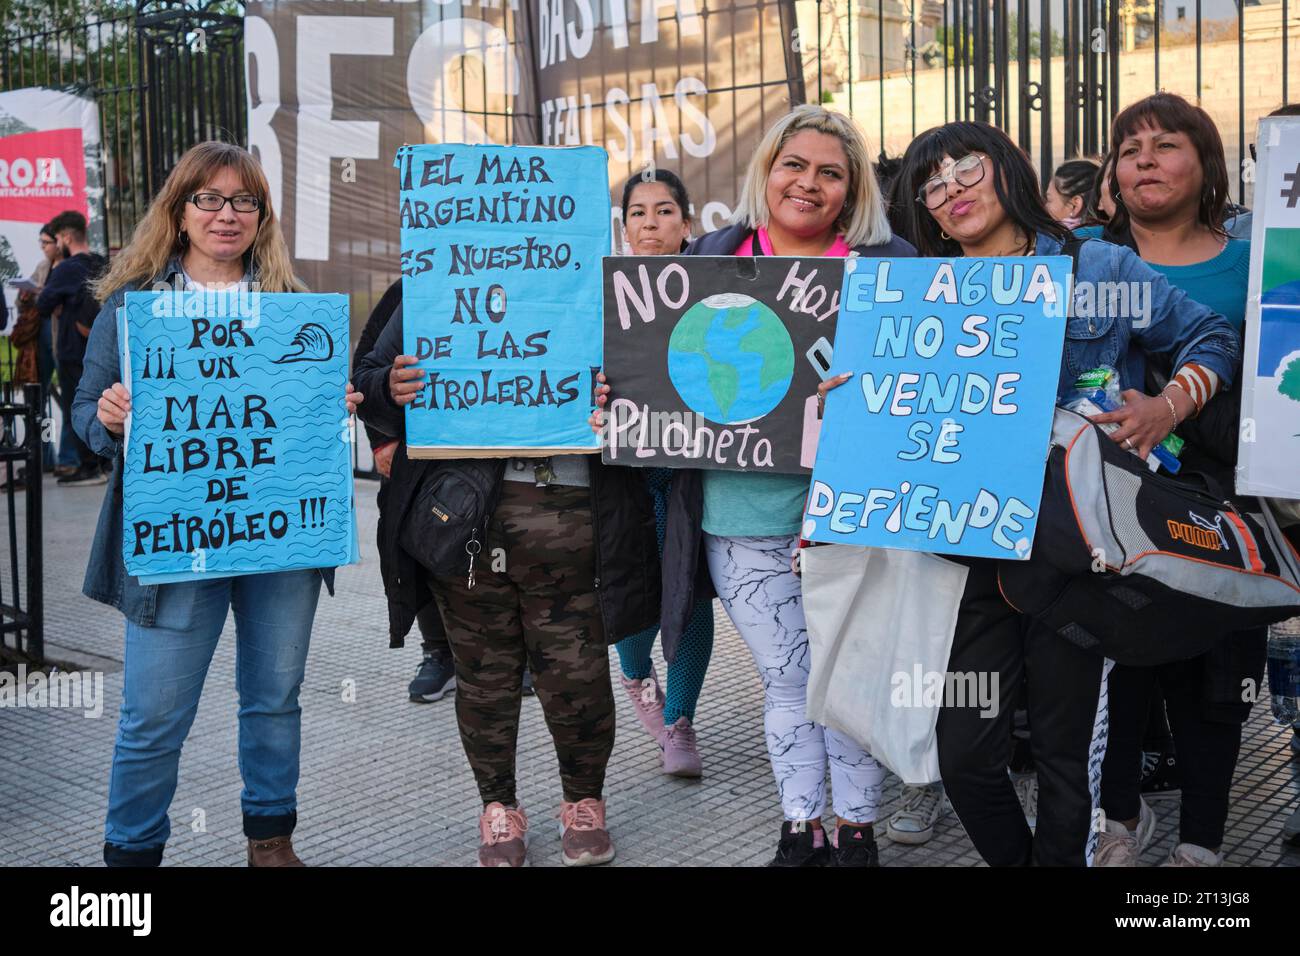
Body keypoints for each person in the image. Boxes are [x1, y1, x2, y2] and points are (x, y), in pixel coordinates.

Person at [879, 119, 1239, 867]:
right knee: (969, 755)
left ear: (1006, 168)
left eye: (966, 169)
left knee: (1065, 758)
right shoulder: (913, 300)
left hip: (1077, 561)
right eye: (932, 186)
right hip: (968, 559)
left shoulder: (1098, 267)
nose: (952, 192)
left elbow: (1212, 337)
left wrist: (1166, 407)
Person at [595, 105, 916, 866]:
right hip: (742, 515)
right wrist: (617, 392)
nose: (808, 183)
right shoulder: (710, 253)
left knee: (852, 677)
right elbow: (653, 360)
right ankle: (802, 827)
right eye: (792, 165)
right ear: (765, 170)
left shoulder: (891, 264)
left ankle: (859, 831)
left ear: (853, 188)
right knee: (788, 679)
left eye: (830, 172)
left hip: (859, 515)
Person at [72, 140, 364, 867]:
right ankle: (132, 862)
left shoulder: (296, 313)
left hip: (280, 544)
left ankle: (271, 841)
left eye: (244, 201)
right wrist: (106, 419)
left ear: (261, 217)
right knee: (153, 714)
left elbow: (317, 421)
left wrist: (338, 406)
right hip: (175, 541)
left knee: (273, 700)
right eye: (209, 198)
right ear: (179, 212)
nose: (226, 214)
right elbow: (83, 415)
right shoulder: (132, 313)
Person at [353, 271, 660, 869]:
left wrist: (616, 395)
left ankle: (584, 803)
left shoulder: (598, 280)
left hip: (576, 524)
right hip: (465, 528)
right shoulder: (431, 280)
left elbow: (656, 384)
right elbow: (366, 378)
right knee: (485, 680)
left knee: (577, 677)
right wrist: (392, 388)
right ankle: (498, 808)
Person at [1091, 92, 1263, 868]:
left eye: (1165, 145)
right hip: (1107, 502)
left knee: (1219, 667)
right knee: (1114, 662)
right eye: (1130, 150)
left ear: (1207, 163)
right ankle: (1119, 821)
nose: (1145, 162)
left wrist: (1173, 405)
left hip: (1231, 496)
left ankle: (1203, 842)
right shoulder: (1080, 255)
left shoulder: (1257, 256)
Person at [611, 168, 715, 778]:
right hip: (622, 475)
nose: (651, 223)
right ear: (624, 227)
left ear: (687, 224)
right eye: (639, 213)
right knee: (634, 592)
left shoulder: (715, 291)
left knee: (690, 595)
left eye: (665, 211)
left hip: (687, 474)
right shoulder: (600, 293)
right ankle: (634, 677)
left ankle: (679, 723)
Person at [352, 277, 462, 704]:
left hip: (506, 467)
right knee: (424, 552)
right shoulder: (414, 286)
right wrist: (382, 441)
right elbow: (367, 367)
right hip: (426, 467)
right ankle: (437, 651)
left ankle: (518, 657)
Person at [37, 210, 108, 485]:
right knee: (104, 404)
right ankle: (104, 463)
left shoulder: (66, 269)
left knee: (77, 407)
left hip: (73, 349)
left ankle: (88, 466)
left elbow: (43, 304)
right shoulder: (103, 263)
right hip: (103, 348)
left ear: (66, 237)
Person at [1044, 158, 1101, 229]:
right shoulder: (1106, 233)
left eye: (1049, 200)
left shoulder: (1065, 238)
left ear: (1075, 205)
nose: (1044, 206)